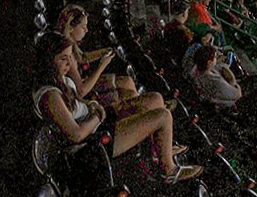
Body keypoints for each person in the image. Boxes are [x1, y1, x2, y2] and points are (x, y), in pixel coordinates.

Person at [34, 35, 202, 182]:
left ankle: (158, 151)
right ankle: (169, 171)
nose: (70, 64)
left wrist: (93, 106)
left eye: (70, 57)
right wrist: (97, 116)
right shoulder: (50, 96)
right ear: (48, 60)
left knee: (155, 98)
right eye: (63, 58)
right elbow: (76, 135)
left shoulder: (62, 80)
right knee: (163, 116)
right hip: (94, 142)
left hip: (99, 121)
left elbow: (79, 100)